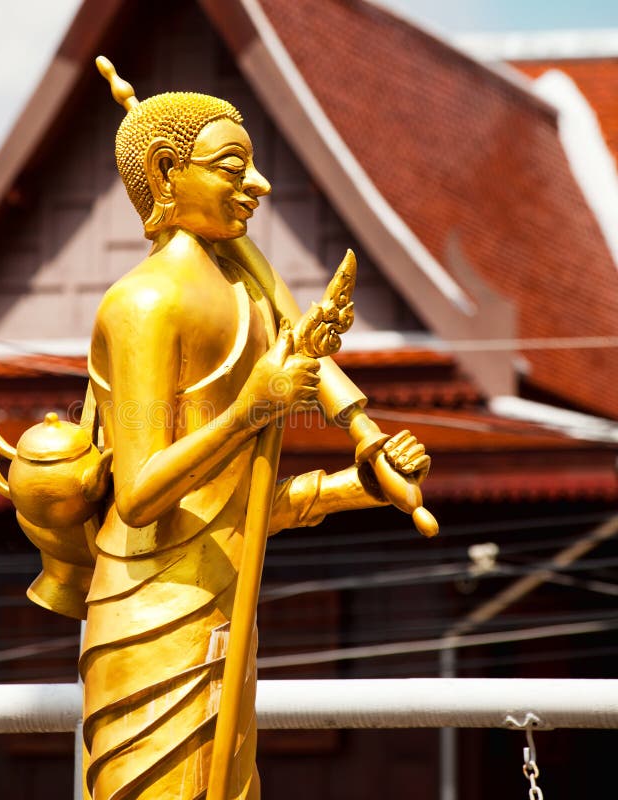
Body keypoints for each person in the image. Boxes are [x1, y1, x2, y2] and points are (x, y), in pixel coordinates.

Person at [80, 65, 430, 800]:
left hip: (223, 615)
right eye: (234, 166)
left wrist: (357, 485)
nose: (259, 185)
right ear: (167, 171)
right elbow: (142, 495)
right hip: (150, 619)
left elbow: (235, 508)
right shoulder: (143, 304)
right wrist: (252, 412)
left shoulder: (245, 299)